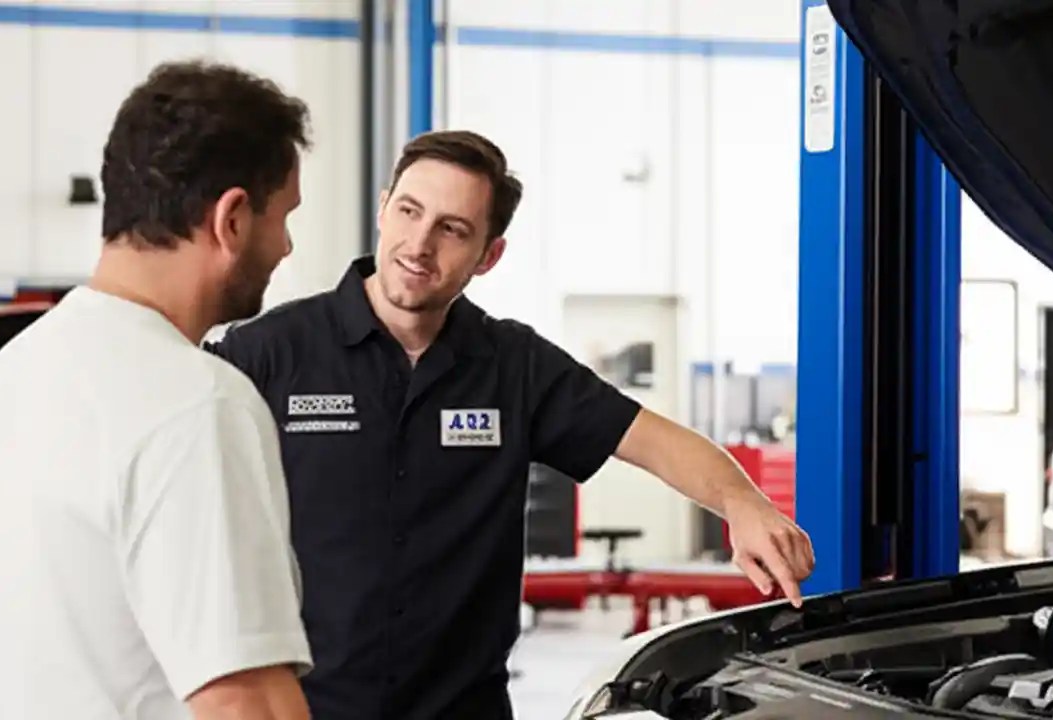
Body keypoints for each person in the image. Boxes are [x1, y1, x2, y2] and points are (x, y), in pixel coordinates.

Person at [204, 129, 815, 720]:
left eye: (453, 229)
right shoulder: (271, 353)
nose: (419, 245)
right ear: (384, 209)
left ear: (488, 255)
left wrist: (743, 502)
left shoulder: (514, 366)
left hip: (463, 710)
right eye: (410, 212)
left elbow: (652, 439)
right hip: (305, 709)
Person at [0, 61, 315, 720]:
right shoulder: (198, 402)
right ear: (232, 219)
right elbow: (245, 704)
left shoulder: (11, 374)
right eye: (284, 215)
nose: (286, 245)